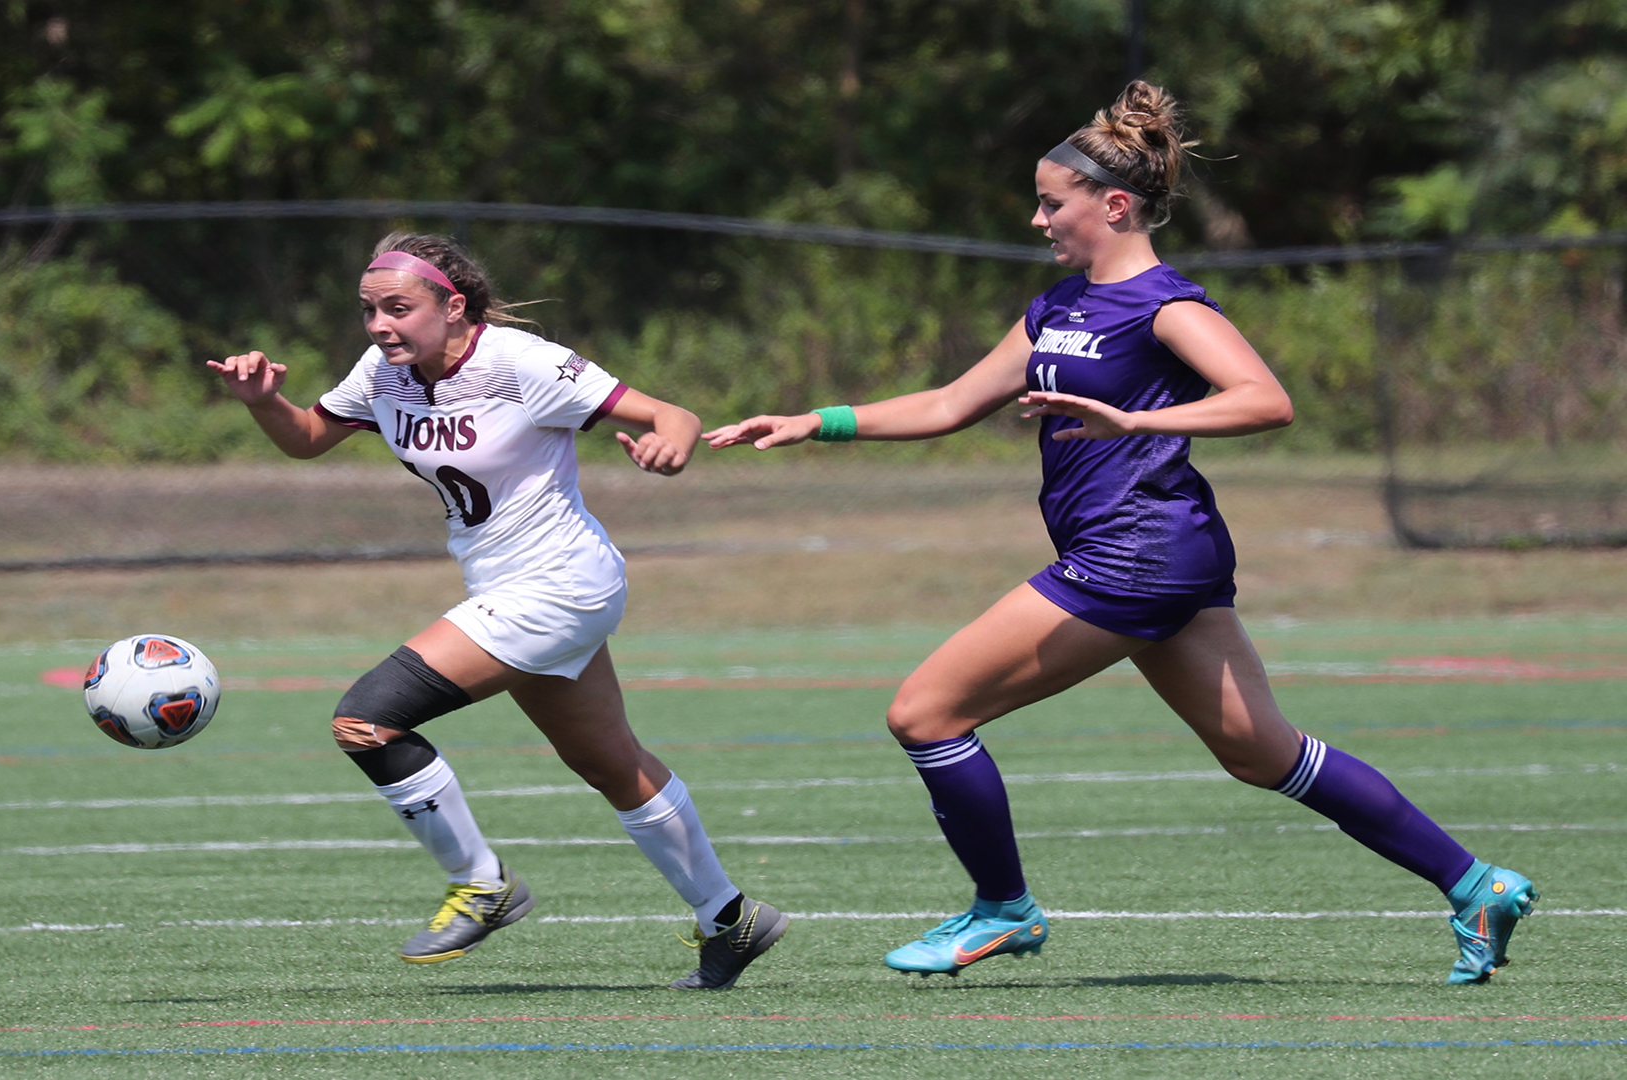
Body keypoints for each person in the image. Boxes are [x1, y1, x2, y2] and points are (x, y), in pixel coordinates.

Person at [703, 81, 1535, 985]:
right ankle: (1476, 884)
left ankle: (1003, 910)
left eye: (1050, 202)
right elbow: (949, 404)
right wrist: (812, 422)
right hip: (1151, 554)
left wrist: (1137, 423)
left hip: (1136, 554)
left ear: (1113, 204)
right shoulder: (1057, 307)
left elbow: (1267, 400)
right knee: (1263, 752)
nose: (1037, 219)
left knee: (927, 712)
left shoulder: (1166, 305)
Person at [209, 232, 785, 990]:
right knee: (609, 764)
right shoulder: (386, 373)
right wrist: (264, 403)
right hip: (507, 589)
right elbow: (309, 438)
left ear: (453, 307)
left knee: (367, 720)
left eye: (399, 309)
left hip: (558, 584)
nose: (381, 325)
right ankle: (730, 917)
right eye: (369, 310)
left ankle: (482, 883)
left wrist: (668, 447)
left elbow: (667, 413)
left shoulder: (520, 361)